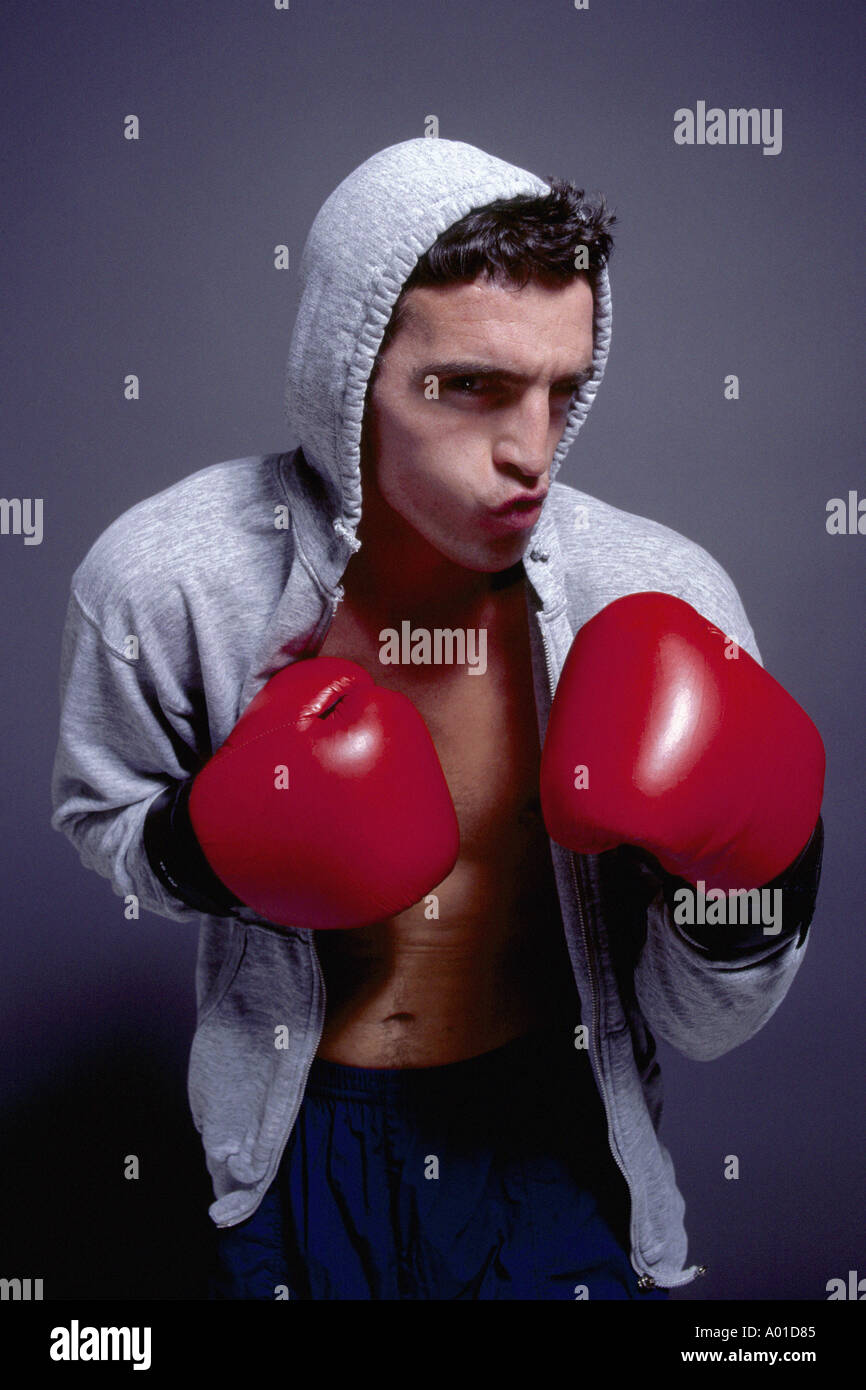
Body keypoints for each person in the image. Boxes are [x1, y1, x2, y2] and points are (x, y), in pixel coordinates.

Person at [50, 137, 824, 1301]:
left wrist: (758, 879)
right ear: (345, 369)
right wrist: (207, 844)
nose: (529, 450)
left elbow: (704, 1024)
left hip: (545, 1144)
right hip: (292, 1143)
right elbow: (99, 815)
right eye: (468, 385)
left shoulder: (657, 597)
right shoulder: (169, 578)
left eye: (560, 390)